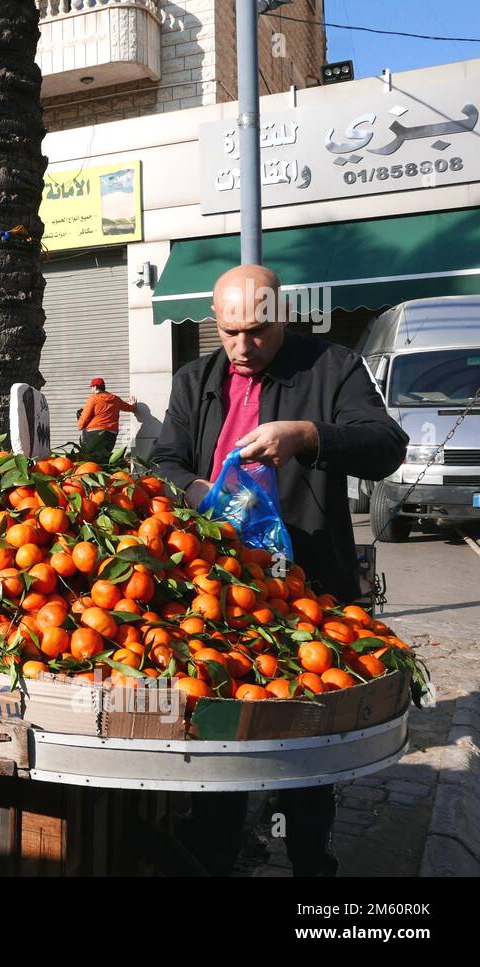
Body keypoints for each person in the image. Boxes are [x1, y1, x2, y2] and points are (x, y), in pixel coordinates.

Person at [152, 264, 408, 876]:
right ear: (216, 320)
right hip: (217, 595)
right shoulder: (195, 380)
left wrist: (307, 435)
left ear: (284, 316)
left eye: (258, 331)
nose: (243, 345)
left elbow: (385, 444)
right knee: (221, 730)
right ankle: (218, 852)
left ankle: (310, 865)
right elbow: (162, 461)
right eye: (230, 330)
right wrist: (197, 492)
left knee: (304, 744)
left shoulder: (332, 368)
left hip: (309, 591)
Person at [76, 377, 136, 457]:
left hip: (95, 433)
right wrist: (132, 406)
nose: (91, 389)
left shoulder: (93, 398)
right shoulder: (115, 399)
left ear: (95, 387)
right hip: (111, 434)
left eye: (91, 387)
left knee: (91, 458)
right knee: (104, 457)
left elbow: (85, 416)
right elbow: (128, 408)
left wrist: (80, 425)